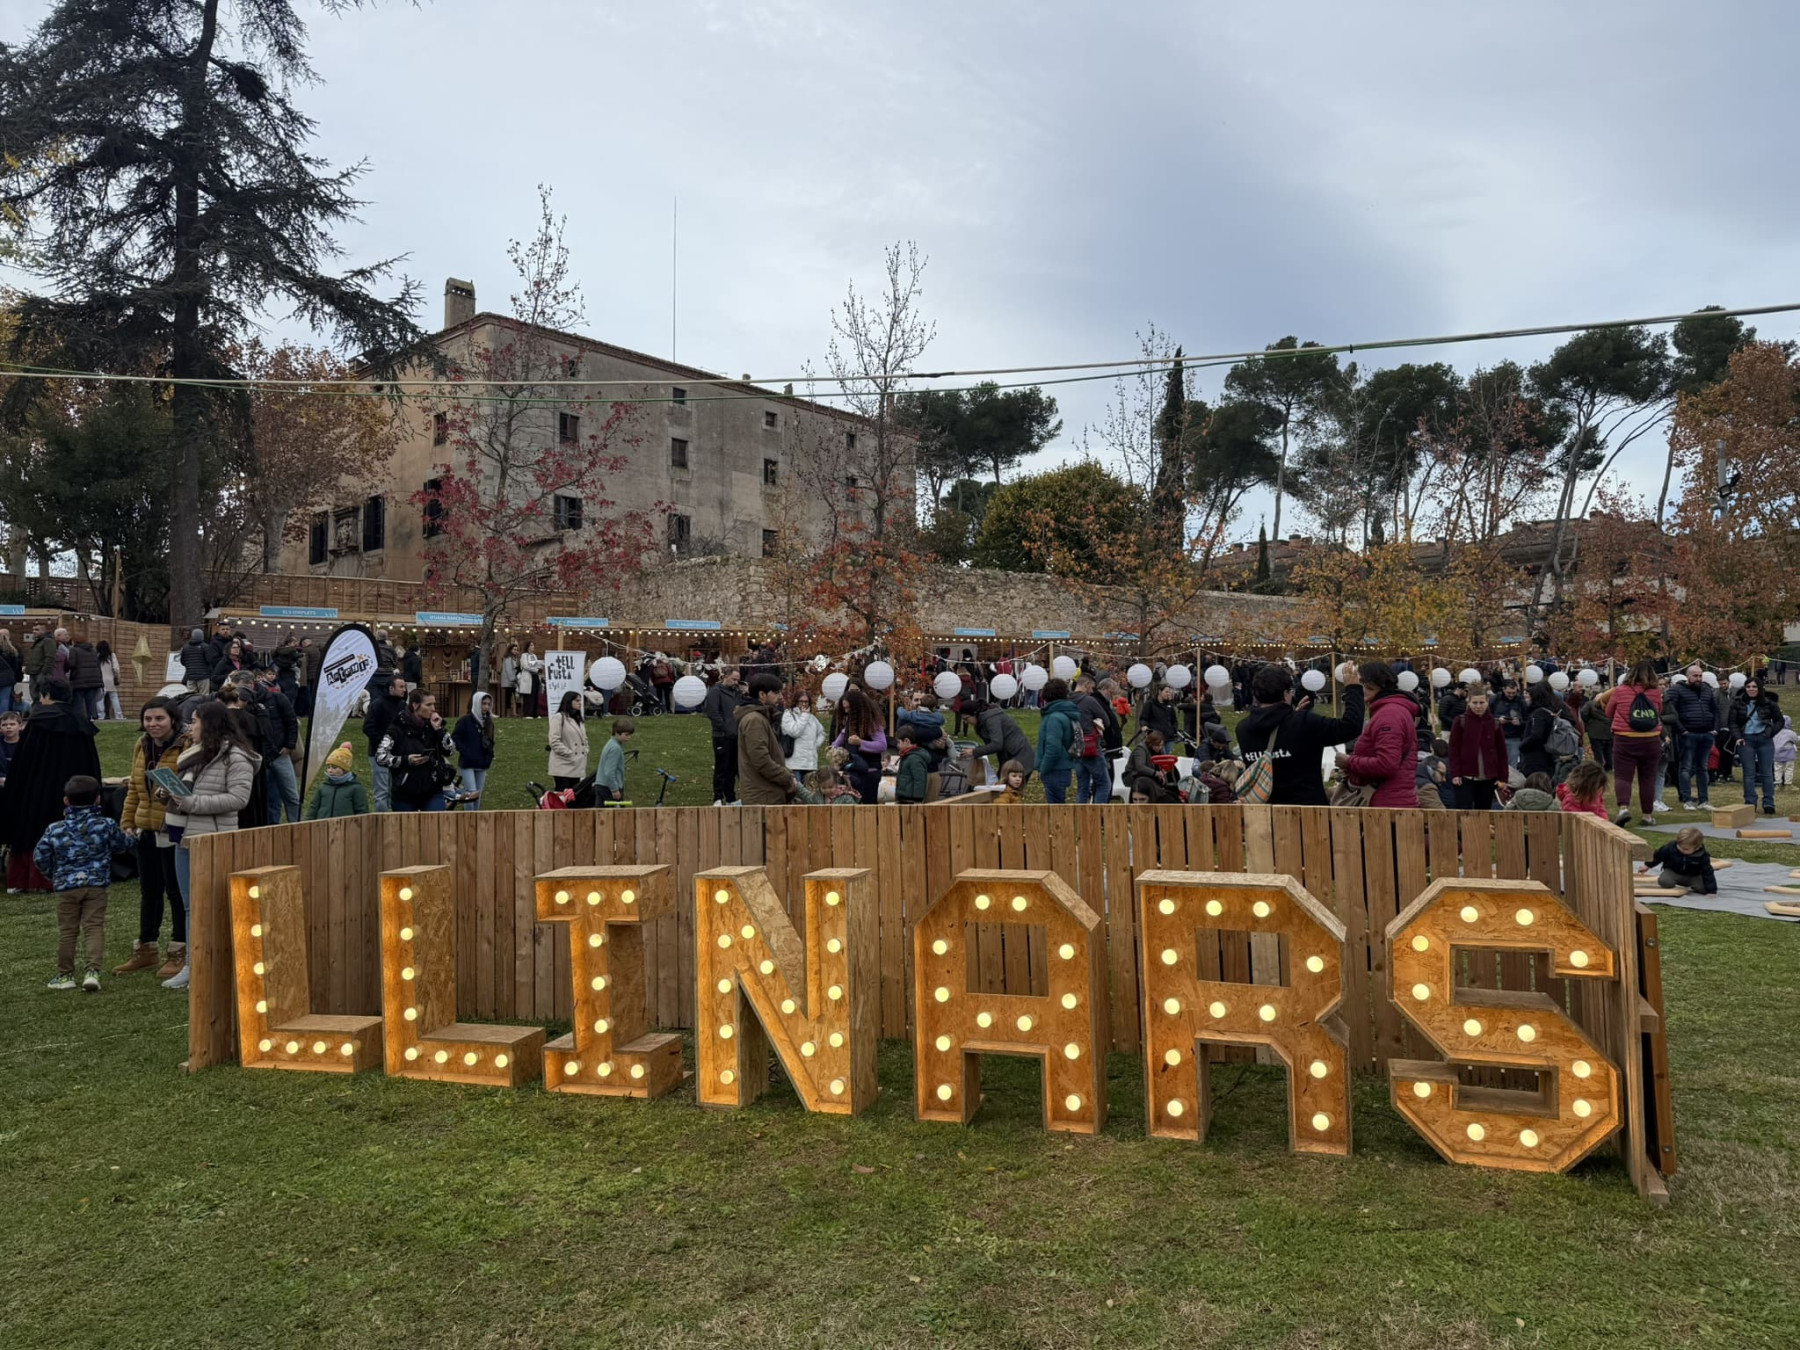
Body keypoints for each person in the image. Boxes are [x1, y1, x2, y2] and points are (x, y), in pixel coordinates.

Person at [158, 701, 261, 988]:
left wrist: (192, 803)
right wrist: (169, 794)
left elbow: (238, 799)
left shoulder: (236, 758)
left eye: (194, 721)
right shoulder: (194, 755)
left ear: (210, 724)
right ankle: (193, 965)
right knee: (190, 905)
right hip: (184, 836)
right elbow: (189, 791)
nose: (190, 726)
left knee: (211, 905)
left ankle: (214, 966)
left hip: (213, 838)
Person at [0, 678, 103, 892]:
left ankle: (32, 880)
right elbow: (90, 762)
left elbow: (23, 761)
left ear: (47, 695)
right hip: (74, 790)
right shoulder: (80, 723)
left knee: (33, 828)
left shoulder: (38, 723)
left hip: (36, 788)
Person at [37, 774, 136, 993]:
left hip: (66, 887)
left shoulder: (55, 829)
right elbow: (122, 845)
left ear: (66, 801)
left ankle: (65, 975)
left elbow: (40, 856)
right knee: (94, 927)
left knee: (68, 931)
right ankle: (92, 972)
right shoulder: (106, 825)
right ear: (98, 800)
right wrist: (132, 835)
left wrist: (53, 874)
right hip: (96, 885)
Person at [115, 698, 188, 979]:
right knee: (149, 889)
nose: (153, 724)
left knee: (175, 890)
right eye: (148, 719)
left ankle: (178, 950)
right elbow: (134, 786)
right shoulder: (142, 745)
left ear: (172, 719)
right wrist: (128, 819)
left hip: (173, 828)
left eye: (159, 719)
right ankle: (146, 948)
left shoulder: (185, 746)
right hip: (146, 827)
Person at [1236, 662, 1366, 807]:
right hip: (1307, 813)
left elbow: (1279, 737)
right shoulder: (1304, 723)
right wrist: (1353, 688)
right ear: (1286, 693)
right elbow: (1350, 727)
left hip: (1264, 814)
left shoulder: (1243, 729)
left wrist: (1291, 716)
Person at [1339, 660, 1419, 807]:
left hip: (1387, 807)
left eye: (1360, 683)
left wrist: (1349, 762)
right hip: (1389, 802)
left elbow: (1387, 764)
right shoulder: (1390, 711)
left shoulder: (1389, 715)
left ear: (1371, 684)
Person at [1604, 660, 1665, 827]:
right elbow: (1658, 712)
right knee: (1648, 778)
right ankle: (1647, 815)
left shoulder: (1620, 691)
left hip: (1625, 738)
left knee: (1623, 776)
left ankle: (1623, 808)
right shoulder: (1655, 692)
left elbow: (1608, 712)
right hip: (1650, 739)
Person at [378, 688, 457, 813]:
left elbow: (451, 751)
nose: (433, 709)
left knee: (436, 828)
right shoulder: (397, 727)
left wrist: (439, 730)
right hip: (404, 792)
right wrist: (406, 760)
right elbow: (380, 757)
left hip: (432, 789)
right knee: (408, 831)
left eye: (434, 704)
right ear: (415, 706)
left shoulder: (433, 726)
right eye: (429, 705)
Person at [735, 673, 798, 805]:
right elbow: (761, 761)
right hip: (762, 798)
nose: (780, 697)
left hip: (768, 795)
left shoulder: (762, 717)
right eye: (775, 692)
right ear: (762, 695)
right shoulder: (754, 720)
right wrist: (787, 778)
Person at [1446, 684, 1507, 811]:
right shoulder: (1460, 721)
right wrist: (1455, 773)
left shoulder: (1494, 723)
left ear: (1487, 702)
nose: (1478, 706)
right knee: (1464, 808)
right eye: (1474, 703)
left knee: (1484, 810)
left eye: (1481, 702)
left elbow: (1502, 752)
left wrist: (1503, 777)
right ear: (1468, 702)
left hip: (1489, 777)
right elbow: (1453, 749)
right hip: (1465, 776)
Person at [1666, 666, 1718, 811]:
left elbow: (1714, 709)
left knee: (1703, 767)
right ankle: (1687, 799)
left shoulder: (1707, 690)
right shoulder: (1678, 690)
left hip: (1706, 733)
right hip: (1688, 734)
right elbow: (1671, 710)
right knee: (1686, 767)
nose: (1698, 679)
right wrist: (1682, 730)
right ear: (1687, 676)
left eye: (1700, 676)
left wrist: (1714, 728)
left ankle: (1704, 800)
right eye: (1695, 676)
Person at [1729, 677, 1782, 815]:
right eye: (1748, 687)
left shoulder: (1769, 703)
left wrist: (1770, 733)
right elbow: (1732, 722)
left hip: (1764, 739)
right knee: (1749, 773)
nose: (1751, 689)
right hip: (1746, 739)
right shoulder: (1737, 703)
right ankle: (1750, 802)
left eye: (1754, 687)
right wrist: (1738, 737)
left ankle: (1769, 803)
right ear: (1745, 688)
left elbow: (1779, 720)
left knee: (1767, 774)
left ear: (1759, 689)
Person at [255, 667, 302, 824]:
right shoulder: (249, 704)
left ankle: (297, 826)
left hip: (280, 754)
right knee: (268, 797)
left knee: (292, 796)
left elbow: (292, 722)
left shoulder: (278, 699)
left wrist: (289, 746)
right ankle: (271, 827)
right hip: (261, 756)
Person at [832, 686, 887, 805]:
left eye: (848, 708)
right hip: (852, 773)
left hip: (870, 773)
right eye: (844, 708)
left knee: (868, 807)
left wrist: (861, 743)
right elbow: (840, 738)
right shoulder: (849, 722)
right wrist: (834, 749)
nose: (846, 711)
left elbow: (882, 745)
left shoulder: (872, 722)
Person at [965, 698, 1035, 790]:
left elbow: (997, 744)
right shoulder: (983, 722)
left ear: (974, 714)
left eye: (966, 718)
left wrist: (975, 752)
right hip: (1009, 758)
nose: (965, 722)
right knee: (1002, 791)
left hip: (1020, 758)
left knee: (1008, 793)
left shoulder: (991, 719)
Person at [363, 672, 406, 812]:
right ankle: (381, 822)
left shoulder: (403, 706)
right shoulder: (378, 704)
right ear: (391, 688)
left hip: (397, 755)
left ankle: (393, 819)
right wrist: (384, 742)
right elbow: (368, 727)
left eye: (404, 687)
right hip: (378, 753)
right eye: (400, 687)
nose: (404, 690)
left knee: (395, 789)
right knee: (381, 791)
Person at [703, 667, 745, 805]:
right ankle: (718, 796)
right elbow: (712, 713)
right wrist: (725, 728)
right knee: (722, 767)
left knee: (733, 768)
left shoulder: (736, 693)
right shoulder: (716, 692)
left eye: (737, 680)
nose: (736, 682)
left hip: (735, 735)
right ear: (725, 677)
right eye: (733, 679)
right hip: (722, 735)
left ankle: (730, 796)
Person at [1036, 678, 1081, 805]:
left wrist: (1043, 768)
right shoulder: (1065, 714)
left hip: (1054, 769)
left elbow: (1053, 748)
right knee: (1060, 805)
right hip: (1063, 767)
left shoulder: (1054, 718)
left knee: (1056, 809)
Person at [1072, 675, 1115, 805]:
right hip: (1091, 747)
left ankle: (1081, 817)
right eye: (1091, 688)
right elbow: (1107, 721)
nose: (1092, 691)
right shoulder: (1089, 701)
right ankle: (1096, 817)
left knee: (1082, 786)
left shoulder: (1067, 701)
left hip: (1074, 747)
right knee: (1104, 784)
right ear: (1086, 684)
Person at [1640, 827, 1718, 895]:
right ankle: (1674, 882)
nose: (1681, 850)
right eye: (1679, 846)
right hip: (1673, 872)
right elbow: (1658, 856)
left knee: (1703, 889)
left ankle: (1695, 886)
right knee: (1664, 881)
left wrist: (1712, 891)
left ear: (1697, 848)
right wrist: (1647, 865)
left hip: (1694, 876)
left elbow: (1708, 872)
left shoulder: (1702, 855)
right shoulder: (1670, 848)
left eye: (1686, 849)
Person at [452, 691, 496, 804]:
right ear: (476, 703)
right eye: (483, 703)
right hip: (468, 762)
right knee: (471, 794)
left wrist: (489, 756)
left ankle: (476, 817)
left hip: (482, 762)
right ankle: (469, 818)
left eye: (488, 704)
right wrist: (465, 751)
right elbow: (456, 738)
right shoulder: (465, 721)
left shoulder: (489, 722)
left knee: (478, 795)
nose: (486, 707)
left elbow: (491, 741)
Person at [305, 742, 370, 818]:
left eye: (334, 767)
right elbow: (313, 808)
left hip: (346, 828)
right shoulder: (323, 788)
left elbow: (362, 811)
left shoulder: (356, 789)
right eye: (328, 767)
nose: (330, 770)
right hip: (323, 827)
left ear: (344, 769)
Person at [780, 686, 829, 778]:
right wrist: (804, 716)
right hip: (794, 764)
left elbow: (822, 733)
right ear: (796, 701)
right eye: (801, 701)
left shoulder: (811, 718)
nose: (804, 704)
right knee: (797, 791)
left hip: (810, 763)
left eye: (806, 702)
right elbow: (794, 732)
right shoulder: (788, 715)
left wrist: (815, 745)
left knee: (810, 791)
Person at [546, 689, 589, 792]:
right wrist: (569, 753)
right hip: (563, 765)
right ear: (569, 702)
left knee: (574, 795)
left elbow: (584, 738)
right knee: (562, 794)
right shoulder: (559, 718)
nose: (580, 703)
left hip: (577, 764)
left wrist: (586, 749)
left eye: (580, 701)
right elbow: (554, 740)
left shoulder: (578, 720)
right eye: (577, 701)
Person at [596, 716, 633, 804]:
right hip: (608, 788)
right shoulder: (615, 748)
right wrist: (614, 789)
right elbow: (609, 771)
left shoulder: (611, 743)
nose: (629, 737)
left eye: (630, 735)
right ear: (617, 733)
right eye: (626, 735)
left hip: (602, 784)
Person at [66, 635, 103, 720]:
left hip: (79, 679)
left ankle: (79, 718)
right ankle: (92, 716)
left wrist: (66, 664)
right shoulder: (93, 650)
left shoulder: (74, 650)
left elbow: (72, 664)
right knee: (90, 699)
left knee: (78, 699)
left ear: (74, 642)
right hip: (93, 679)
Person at [892, 727, 932, 804]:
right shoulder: (906, 756)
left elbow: (919, 779)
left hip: (910, 799)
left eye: (898, 742)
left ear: (906, 741)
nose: (897, 745)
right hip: (904, 797)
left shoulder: (914, 759)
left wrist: (917, 799)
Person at [1580, 689, 1614, 771]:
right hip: (1609, 730)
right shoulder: (1610, 705)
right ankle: (1609, 766)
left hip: (1595, 731)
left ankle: (1598, 767)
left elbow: (1583, 712)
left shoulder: (1590, 704)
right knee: (1608, 750)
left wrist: (1588, 721)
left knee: (1597, 751)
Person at [1140, 683, 1181, 747]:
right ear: (1160, 691)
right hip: (1156, 737)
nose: (1168, 694)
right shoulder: (1150, 704)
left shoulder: (1170, 705)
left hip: (1169, 737)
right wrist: (1144, 726)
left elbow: (1174, 720)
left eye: (1169, 692)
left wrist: (1174, 730)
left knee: (1167, 756)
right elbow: (1144, 718)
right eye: (1166, 692)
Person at [517, 642, 542, 717]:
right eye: (531, 645)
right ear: (528, 647)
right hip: (528, 677)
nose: (533, 646)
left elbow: (536, 664)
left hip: (535, 677)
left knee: (535, 695)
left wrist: (539, 668)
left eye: (533, 645)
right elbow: (525, 666)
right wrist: (535, 670)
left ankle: (535, 713)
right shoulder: (524, 655)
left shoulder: (534, 656)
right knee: (528, 696)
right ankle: (528, 713)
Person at [0, 627, 19, 715]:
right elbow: (15, 666)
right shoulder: (12, 650)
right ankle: (3, 718)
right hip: (8, 678)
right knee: (5, 699)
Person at [1775, 715, 1797, 788]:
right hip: (1788, 754)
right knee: (1789, 769)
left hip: (1776, 754)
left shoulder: (1775, 731)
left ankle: (1778, 783)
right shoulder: (1790, 733)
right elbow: (1796, 740)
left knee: (1777, 769)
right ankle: (1788, 784)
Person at [0, 709, 21, 782]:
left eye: (12, 724)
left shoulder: (29, 744)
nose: (8, 727)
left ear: (20, 726)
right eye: (4, 725)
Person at [498, 644, 519, 718]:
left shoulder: (513, 659)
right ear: (510, 650)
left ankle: (512, 712)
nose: (516, 651)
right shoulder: (508, 659)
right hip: (509, 682)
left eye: (516, 650)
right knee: (509, 697)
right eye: (514, 649)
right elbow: (509, 670)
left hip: (511, 681)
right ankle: (509, 713)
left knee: (512, 697)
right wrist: (514, 679)